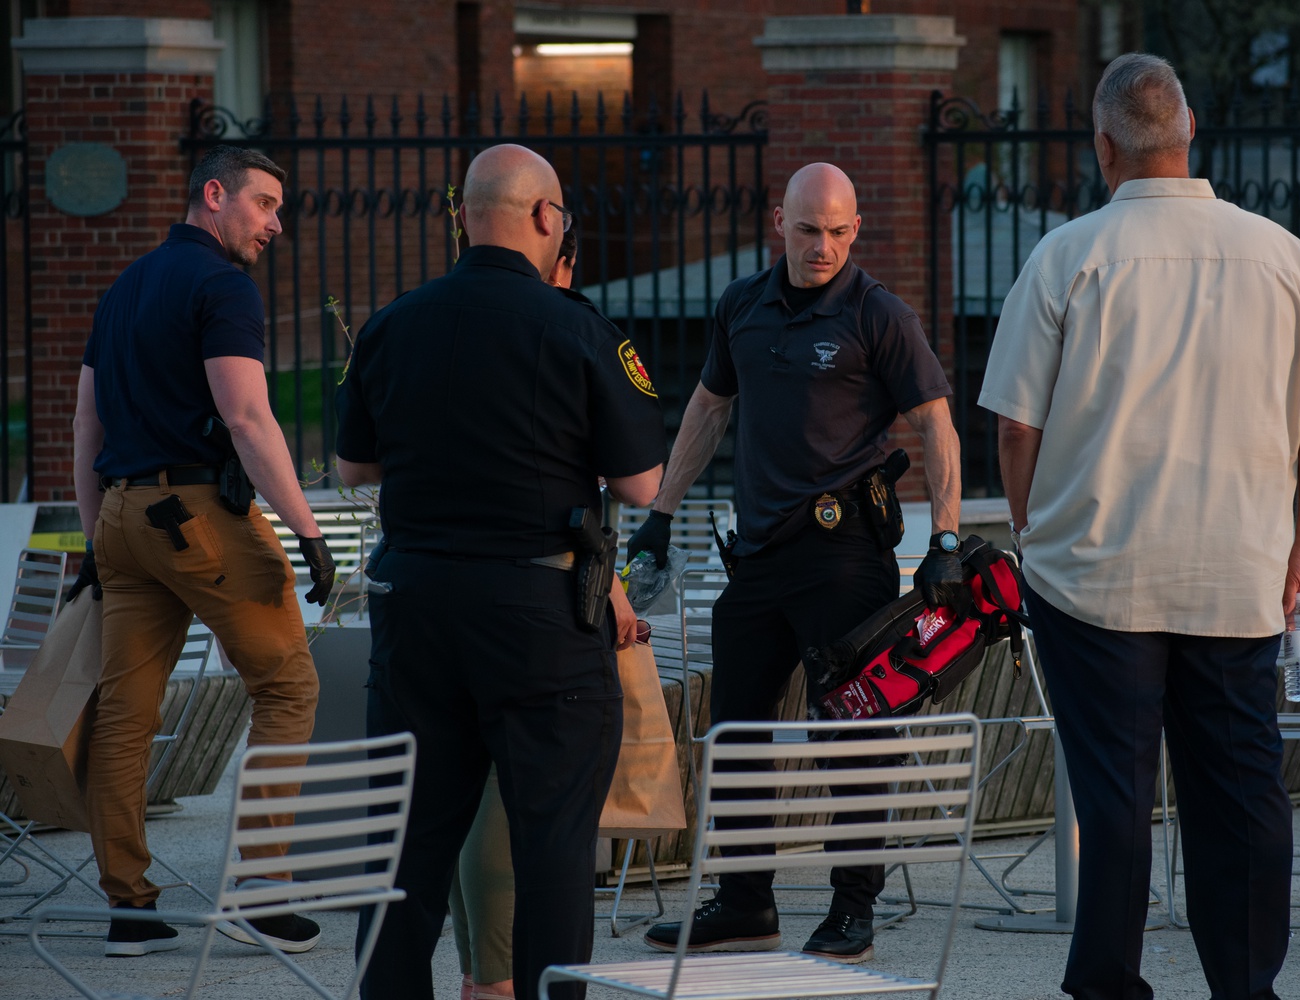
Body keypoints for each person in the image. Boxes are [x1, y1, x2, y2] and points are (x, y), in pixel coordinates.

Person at [979, 53, 1300, 1000]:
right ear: (1190, 134)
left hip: (1096, 573)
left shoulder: (1067, 257)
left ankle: (1107, 983)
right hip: (1235, 570)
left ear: (1103, 146)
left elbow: (1014, 424)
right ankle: (1244, 984)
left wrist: (1031, 526)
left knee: (1112, 800)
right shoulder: (1280, 255)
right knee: (1241, 790)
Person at [336, 144, 665, 1000]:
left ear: (462, 217)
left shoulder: (394, 322)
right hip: (537, 612)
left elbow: (353, 469)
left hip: (415, 606)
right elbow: (640, 481)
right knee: (552, 846)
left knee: (404, 841)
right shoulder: (576, 326)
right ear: (547, 219)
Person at [627, 161, 964, 965]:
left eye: (839, 232)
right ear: (779, 221)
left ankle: (853, 909)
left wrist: (945, 539)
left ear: (856, 231)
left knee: (849, 732)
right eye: (808, 229)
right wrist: (658, 517)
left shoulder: (877, 314)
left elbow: (937, 425)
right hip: (759, 558)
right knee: (736, 730)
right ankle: (745, 904)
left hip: (844, 557)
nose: (823, 246)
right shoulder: (742, 305)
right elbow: (708, 409)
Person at [71, 145, 335, 958]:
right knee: (288, 684)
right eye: (262, 205)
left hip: (120, 515)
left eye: (278, 211)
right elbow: (249, 418)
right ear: (213, 196)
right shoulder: (223, 287)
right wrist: (309, 531)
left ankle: (130, 909)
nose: (273, 226)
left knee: (124, 713)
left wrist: (92, 537)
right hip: (196, 516)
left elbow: (87, 426)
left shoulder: (122, 288)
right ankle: (261, 891)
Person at [444, 228, 639, 1000]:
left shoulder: (442, 320)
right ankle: (496, 979)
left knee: (462, 794)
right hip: (534, 597)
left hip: (436, 591)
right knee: (516, 802)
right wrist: (613, 586)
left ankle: (478, 972)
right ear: (557, 257)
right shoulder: (566, 330)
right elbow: (613, 481)